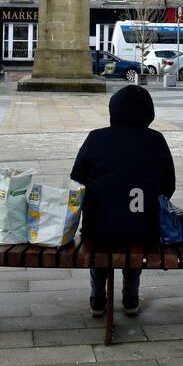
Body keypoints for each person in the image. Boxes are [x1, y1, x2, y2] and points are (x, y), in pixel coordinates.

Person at [70, 85, 176, 318]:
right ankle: (130, 296)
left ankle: (98, 298)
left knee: (100, 243)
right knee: (135, 238)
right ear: (149, 113)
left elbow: (76, 178)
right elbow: (169, 186)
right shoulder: (156, 140)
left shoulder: (96, 138)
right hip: (143, 229)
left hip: (98, 229)